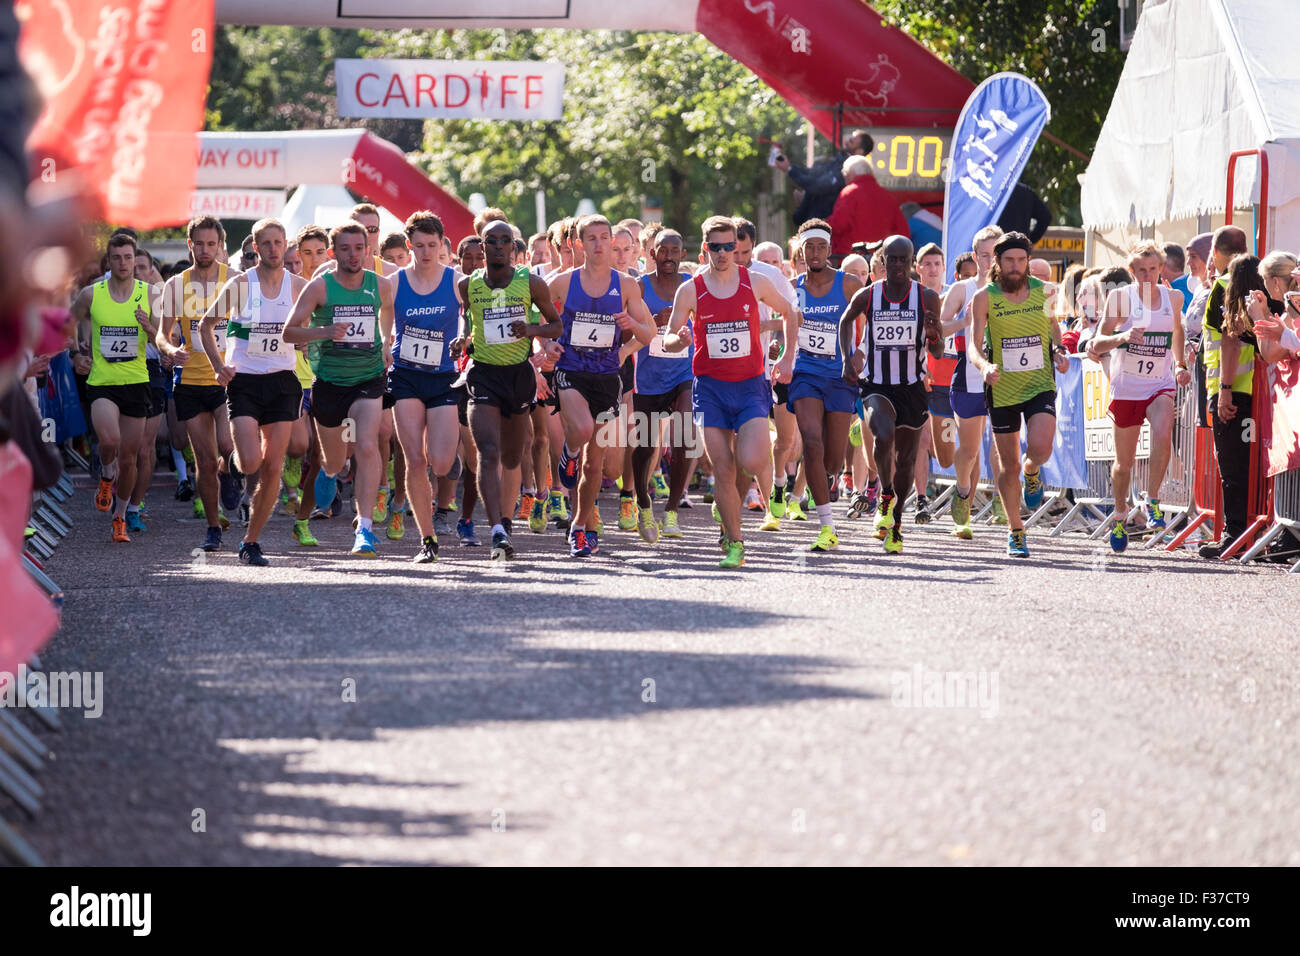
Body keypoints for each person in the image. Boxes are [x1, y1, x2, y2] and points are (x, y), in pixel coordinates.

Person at [661, 215, 799, 569]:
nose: (724, 254)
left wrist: (787, 356)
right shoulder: (691, 289)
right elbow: (670, 337)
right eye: (717, 248)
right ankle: (736, 542)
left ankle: (730, 505)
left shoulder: (754, 282)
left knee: (751, 459)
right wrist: (681, 339)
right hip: (710, 388)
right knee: (721, 469)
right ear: (705, 248)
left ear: (737, 249)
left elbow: (790, 313)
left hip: (751, 385)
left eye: (730, 248)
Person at [452, 219, 564, 560]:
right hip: (483, 374)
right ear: (482, 246)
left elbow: (556, 326)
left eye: (505, 241)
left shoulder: (531, 283)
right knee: (488, 450)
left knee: (514, 457)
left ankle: (507, 523)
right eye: (492, 241)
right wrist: (463, 340)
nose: (498, 246)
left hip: (518, 375)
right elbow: (467, 322)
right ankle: (497, 529)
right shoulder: (467, 285)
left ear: (514, 247)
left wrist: (530, 329)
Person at [283, 222, 396, 557]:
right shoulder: (319, 288)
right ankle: (333, 473)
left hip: (369, 377)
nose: (353, 255)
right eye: (345, 249)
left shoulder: (381, 285)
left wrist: (387, 340)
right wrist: (325, 332)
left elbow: (388, 311)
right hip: (330, 382)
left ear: (368, 250)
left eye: (359, 248)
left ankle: (364, 529)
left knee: (366, 445)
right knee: (331, 461)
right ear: (333, 253)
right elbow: (290, 332)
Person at [200, 218, 305, 566]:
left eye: (279, 243)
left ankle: (251, 541)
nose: (274, 250)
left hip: (282, 382)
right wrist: (219, 366)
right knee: (251, 462)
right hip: (244, 380)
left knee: (274, 466)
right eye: (267, 244)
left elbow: (318, 322)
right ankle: (229, 467)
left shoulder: (300, 286)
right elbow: (205, 325)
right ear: (256, 248)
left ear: (286, 245)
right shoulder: (241, 285)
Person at [550, 215, 656, 557]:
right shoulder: (562, 283)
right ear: (577, 244)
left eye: (604, 237)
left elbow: (649, 333)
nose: (599, 244)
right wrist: (544, 348)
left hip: (608, 377)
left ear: (612, 241)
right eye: (591, 238)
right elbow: (539, 320)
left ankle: (580, 527)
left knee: (596, 466)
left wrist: (629, 331)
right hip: (571, 371)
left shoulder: (626, 285)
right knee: (580, 429)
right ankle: (568, 451)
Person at [964, 231, 1071, 558]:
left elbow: (1055, 330)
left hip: (1039, 383)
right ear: (997, 261)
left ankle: (1033, 470)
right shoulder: (984, 297)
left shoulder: (1046, 293)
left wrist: (1059, 350)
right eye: (1009, 260)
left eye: (1021, 260)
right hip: (1002, 387)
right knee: (1007, 465)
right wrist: (983, 367)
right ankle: (1016, 530)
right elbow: (973, 344)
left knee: (1040, 447)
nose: (1015, 266)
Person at [838, 235, 941, 554]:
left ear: (912, 263)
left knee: (907, 459)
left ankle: (895, 523)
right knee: (882, 434)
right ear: (883, 261)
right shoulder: (869, 294)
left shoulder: (926, 297)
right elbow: (845, 322)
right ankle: (884, 494)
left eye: (902, 259)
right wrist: (847, 357)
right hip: (876, 384)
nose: (897, 265)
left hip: (911, 386)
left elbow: (937, 347)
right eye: (891, 259)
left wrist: (934, 334)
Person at [1086, 241, 1189, 552]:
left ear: (1160, 269)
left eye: (1153, 269)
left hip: (1159, 383)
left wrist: (1181, 362)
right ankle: (1119, 514)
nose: (1148, 276)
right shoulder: (1121, 298)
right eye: (1141, 271)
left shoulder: (1174, 297)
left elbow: (1177, 330)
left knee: (1163, 430)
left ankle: (1152, 500)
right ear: (1132, 273)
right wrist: (1122, 336)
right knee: (1125, 463)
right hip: (1127, 385)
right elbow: (1098, 341)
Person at [68, 233, 157, 542]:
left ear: (135, 260)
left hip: (136, 382)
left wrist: (150, 328)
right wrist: (77, 353)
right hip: (102, 382)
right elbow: (68, 321)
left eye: (128, 257)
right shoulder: (92, 295)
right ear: (109, 261)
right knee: (110, 440)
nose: (123, 263)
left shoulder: (151, 294)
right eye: (117, 258)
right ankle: (107, 474)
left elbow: (165, 337)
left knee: (131, 457)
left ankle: (119, 516)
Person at [385, 212, 463, 564]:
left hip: (444, 376)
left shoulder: (457, 282)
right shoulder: (395, 282)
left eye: (433, 245)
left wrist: (468, 340)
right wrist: (384, 348)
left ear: (443, 244)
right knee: (414, 459)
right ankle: (427, 539)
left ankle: (447, 453)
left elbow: (475, 317)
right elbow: (383, 327)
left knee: (442, 463)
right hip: (405, 376)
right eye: (419, 246)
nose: (426, 252)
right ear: (409, 246)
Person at [157, 216, 235, 552]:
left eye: (211, 244)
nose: (205, 250)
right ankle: (214, 527)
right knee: (203, 459)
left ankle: (231, 471)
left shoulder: (235, 281)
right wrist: (171, 349)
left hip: (227, 380)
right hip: (189, 380)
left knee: (228, 445)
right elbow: (161, 334)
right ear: (190, 245)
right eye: (199, 244)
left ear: (220, 245)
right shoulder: (176, 284)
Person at [790, 219, 864, 552]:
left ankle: (826, 477)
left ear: (830, 249)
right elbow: (780, 325)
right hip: (805, 372)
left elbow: (871, 325)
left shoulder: (848, 284)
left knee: (832, 462)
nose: (815, 252)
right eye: (810, 247)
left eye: (821, 246)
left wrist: (860, 353)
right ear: (801, 251)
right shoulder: (792, 287)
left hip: (840, 376)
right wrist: (780, 347)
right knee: (811, 440)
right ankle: (826, 525)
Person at [1198, 227, 1259, 558]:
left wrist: (1222, 391)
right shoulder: (1261, 279)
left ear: (1216, 252)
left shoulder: (1223, 286)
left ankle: (1236, 535)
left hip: (1231, 392)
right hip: (1262, 393)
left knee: (1232, 468)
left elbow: (1228, 341)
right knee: (1255, 468)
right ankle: (1253, 532)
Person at [631, 229, 695, 540]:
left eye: (674, 250)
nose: (667, 256)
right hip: (648, 378)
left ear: (683, 254)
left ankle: (671, 510)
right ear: (651, 254)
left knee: (683, 437)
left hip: (683, 373)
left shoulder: (691, 286)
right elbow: (625, 331)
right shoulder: (639, 287)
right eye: (662, 250)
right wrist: (653, 323)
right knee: (645, 447)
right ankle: (642, 502)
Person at [940, 224, 1003, 538]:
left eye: (996, 254)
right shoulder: (962, 290)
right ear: (975, 256)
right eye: (984, 254)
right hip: (969, 376)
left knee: (1007, 445)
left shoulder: (1016, 290)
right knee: (970, 450)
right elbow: (937, 330)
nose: (990, 261)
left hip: (1005, 376)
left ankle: (1005, 501)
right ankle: (963, 492)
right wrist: (963, 321)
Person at [772, 129, 872, 225]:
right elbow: (814, 175)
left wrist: (790, 170)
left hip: (823, 224)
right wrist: (790, 167)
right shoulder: (839, 161)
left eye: (851, 141)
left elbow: (818, 186)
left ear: (860, 151)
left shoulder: (846, 167)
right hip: (815, 220)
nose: (846, 142)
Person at [825, 156, 910, 258]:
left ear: (851, 174)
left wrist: (822, 224)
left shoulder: (849, 193)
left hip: (849, 258)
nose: (845, 178)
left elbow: (838, 225)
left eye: (845, 174)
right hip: (880, 260)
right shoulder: (887, 196)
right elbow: (903, 232)